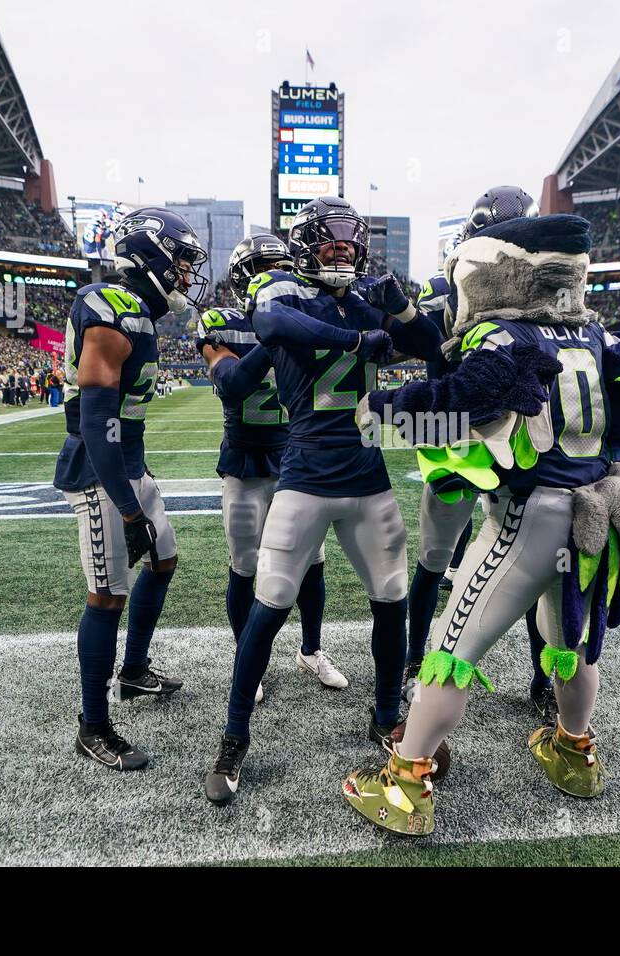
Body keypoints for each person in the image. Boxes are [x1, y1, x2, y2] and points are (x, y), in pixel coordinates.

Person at [341, 214, 620, 835]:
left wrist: (387, 408)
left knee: (451, 651)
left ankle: (405, 783)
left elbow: (465, 401)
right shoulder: (592, 336)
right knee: (569, 643)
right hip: (593, 511)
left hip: (528, 516)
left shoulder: (508, 337)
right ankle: (574, 752)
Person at [203, 196, 442, 805]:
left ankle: (387, 713)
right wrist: (362, 338)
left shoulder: (360, 299)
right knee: (270, 602)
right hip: (304, 475)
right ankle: (234, 735)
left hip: (367, 476)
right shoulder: (281, 290)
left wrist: (403, 307)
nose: (343, 251)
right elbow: (281, 328)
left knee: (391, 602)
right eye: (331, 242)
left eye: (350, 243)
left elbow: (431, 345)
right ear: (307, 245)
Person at [53, 207, 207, 771]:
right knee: (107, 594)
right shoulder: (109, 306)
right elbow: (96, 423)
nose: (189, 275)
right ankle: (93, 724)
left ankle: (134, 671)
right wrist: (125, 506)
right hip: (99, 471)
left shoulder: (138, 312)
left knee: (163, 559)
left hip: (129, 464)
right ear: (152, 257)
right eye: (183, 262)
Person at [402, 185, 556, 722]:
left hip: (516, 442)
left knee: (537, 567)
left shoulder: (544, 297)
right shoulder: (448, 293)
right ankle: (412, 659)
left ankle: (543, 677)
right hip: (460, 438)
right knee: (435, 561)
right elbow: (418, 341)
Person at [195, 233, 342, 697]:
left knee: (313, 561)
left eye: (279, 267)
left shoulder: (307, 312)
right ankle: (248, 657)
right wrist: (275, 332)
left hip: (296, 457)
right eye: (261, 269)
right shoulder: (220, 321)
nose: (272, 278)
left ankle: (311, 650)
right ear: (242, 279)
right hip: (245, 461)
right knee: (245, 564)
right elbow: (231, 384)